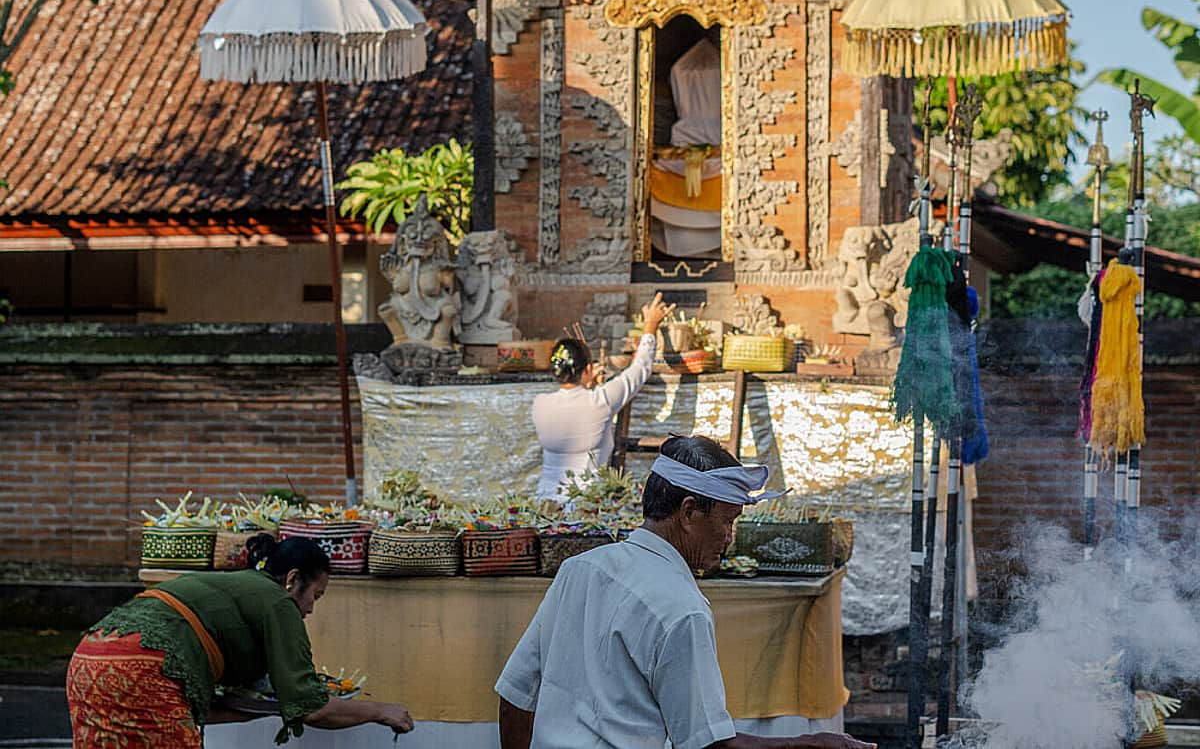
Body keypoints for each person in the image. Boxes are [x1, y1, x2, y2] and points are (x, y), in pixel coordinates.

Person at [495, 435, 877, 749]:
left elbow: (515, 695)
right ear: (689, 512)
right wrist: (810, 744)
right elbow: (709, 745)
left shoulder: (579, 569)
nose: (729, 539)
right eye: (727, 522)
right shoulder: (681, 609)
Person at [66, 535, 414, 746]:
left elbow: (213, 707)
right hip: (143, 670)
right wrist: (382, 711)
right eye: (316, 596)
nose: (309, 609)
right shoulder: (279, 601)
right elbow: (312, 708)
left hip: (89, 659)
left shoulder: (234, 587)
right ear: (293, 580)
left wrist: (272, 707)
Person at [531, 292, 676, 498]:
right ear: (588, 369)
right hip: (586, 505)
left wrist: (589, 386)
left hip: (544, 502)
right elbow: (640, 368)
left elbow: (574, 412)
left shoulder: (540, 404)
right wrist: (650, 325)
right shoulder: (601, 400)